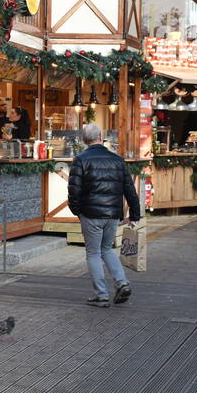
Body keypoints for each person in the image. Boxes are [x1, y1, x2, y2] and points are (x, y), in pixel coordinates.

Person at [68, 123, 141, 308]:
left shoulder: (81, 159)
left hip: (91, 213)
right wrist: (134, 213)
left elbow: (74, 191)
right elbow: (129, 189)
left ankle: (101, 295)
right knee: (107, 249)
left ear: (85, 139)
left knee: (93, 253)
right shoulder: (117, 160)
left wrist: (78, 211)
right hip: (113, 214)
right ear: (101, 137)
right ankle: (122, 282)